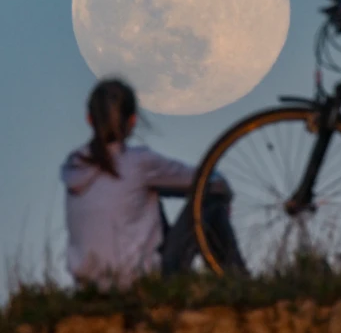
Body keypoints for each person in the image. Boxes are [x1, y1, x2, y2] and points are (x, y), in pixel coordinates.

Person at [59, 77, 243, 291]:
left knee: (151, 193)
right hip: (138, 279)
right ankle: (238, 278)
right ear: (133, 121)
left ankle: (233, 280)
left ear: (89, 119)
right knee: (211, 196)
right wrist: (225, 193)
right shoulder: (140, 162)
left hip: (90, 286)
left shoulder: (75, 165)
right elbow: (209, 180)